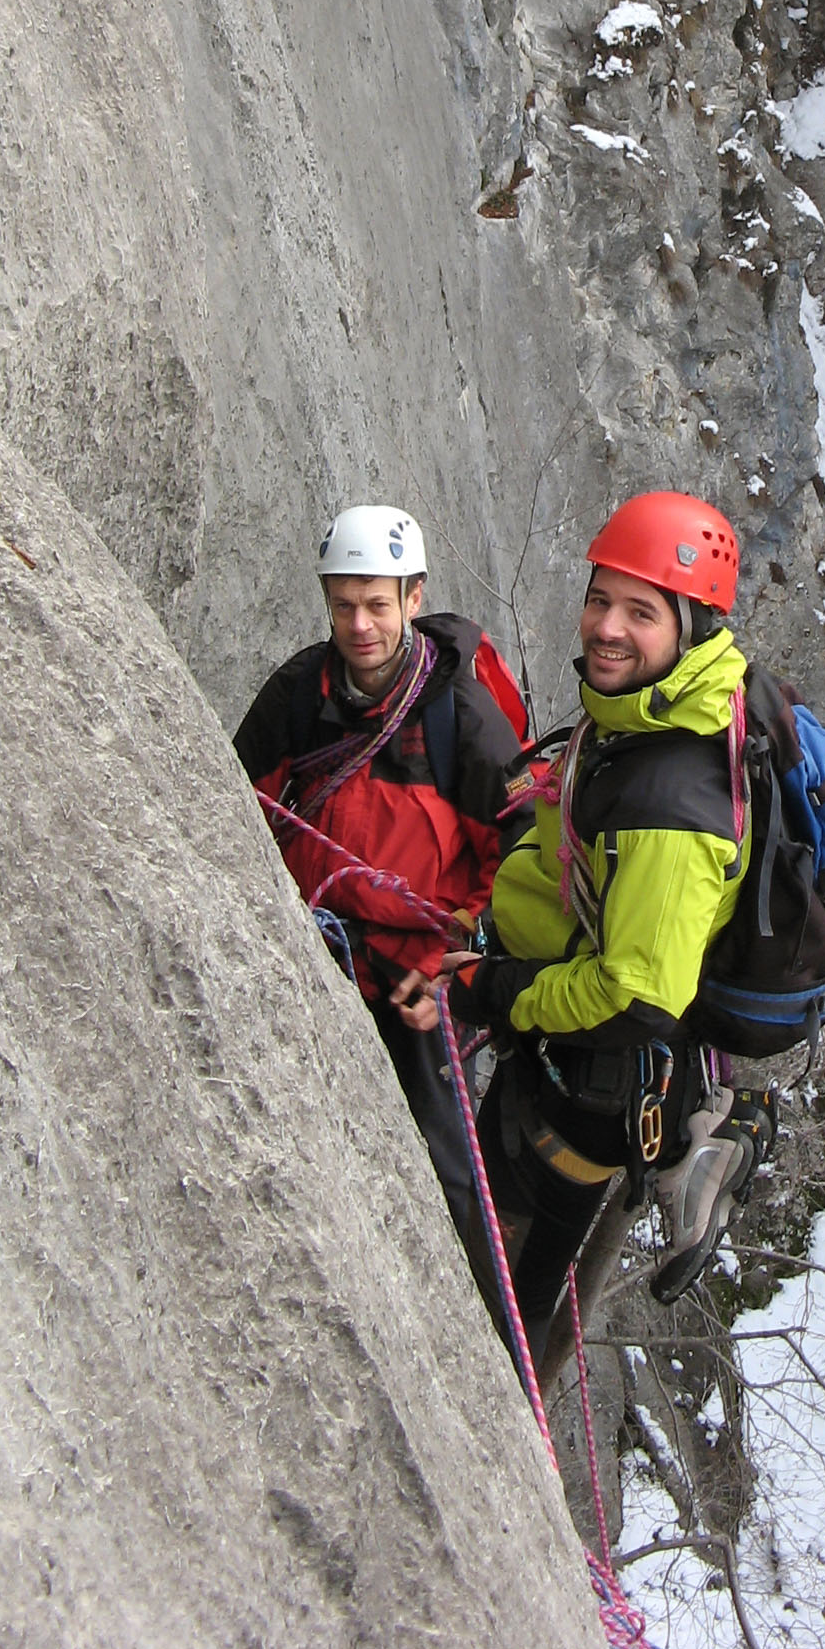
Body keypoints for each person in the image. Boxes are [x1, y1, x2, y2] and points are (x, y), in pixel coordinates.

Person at [391, 489, 774, 1370]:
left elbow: (635, 994)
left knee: (484, 1295)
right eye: (601, 598)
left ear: (690, 625)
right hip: (565, 1058)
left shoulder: (672, 804)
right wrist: (487, 933)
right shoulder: (648, 713)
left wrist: (490, 986)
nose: (606, 626)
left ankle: (474, 1400)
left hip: (592, 1097)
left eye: (640, 611)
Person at [235, 503, 531, 1239]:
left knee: (447, 1175)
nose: (359, 625)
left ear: (413, 597)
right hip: (317, 949)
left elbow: (517, 856)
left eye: (376, 604)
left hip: (413, 978)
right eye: (343, 606)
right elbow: (239, 810)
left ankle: (484, 1336)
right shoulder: (301, 695)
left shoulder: (460, 717)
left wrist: (455, 967)